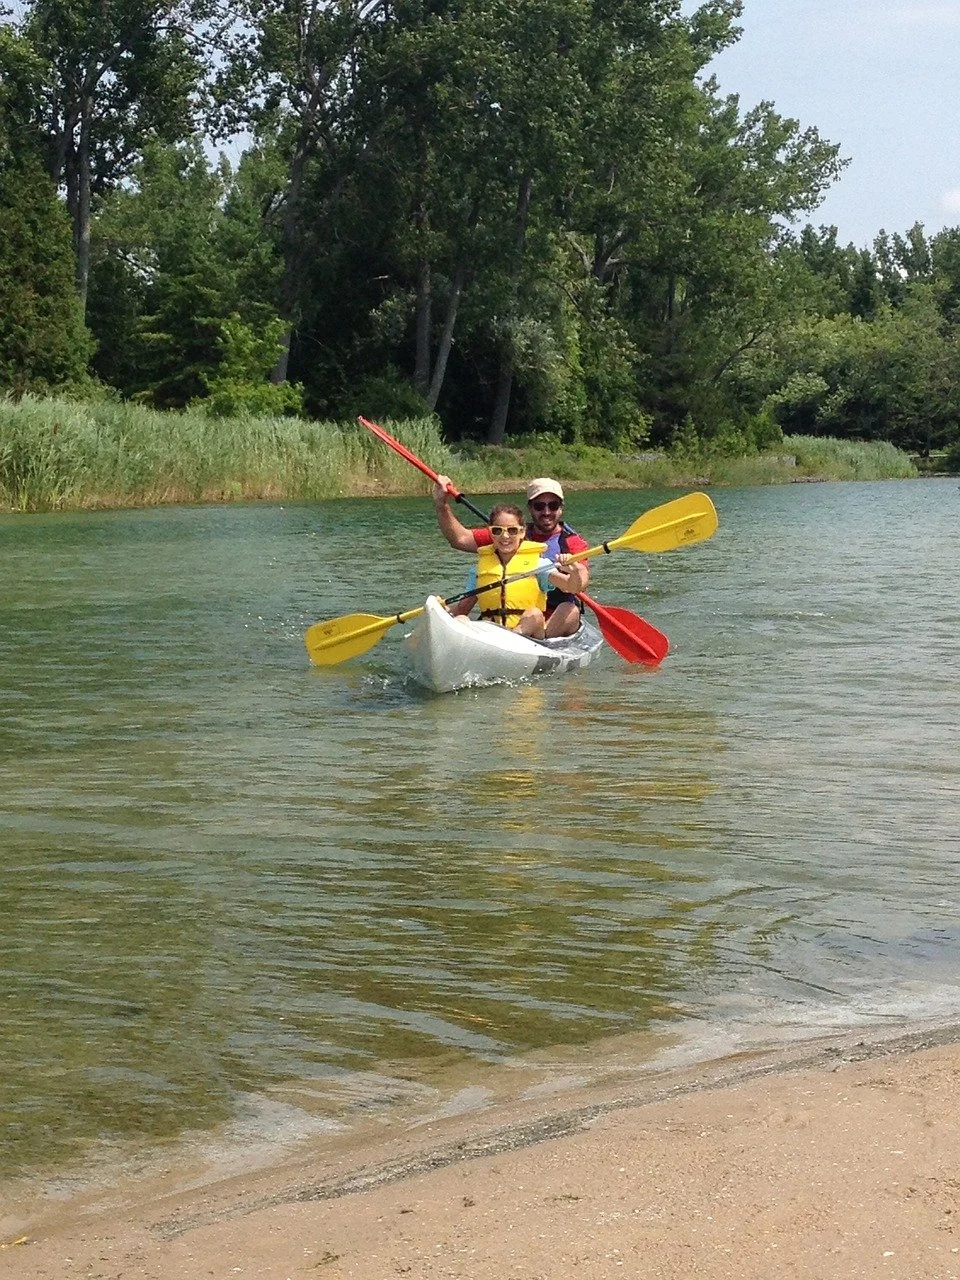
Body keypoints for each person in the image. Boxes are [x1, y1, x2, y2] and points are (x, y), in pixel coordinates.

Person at [432, 477, 589, 637]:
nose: (546, 512)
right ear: (530, 508)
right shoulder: (504, 534)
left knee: (569, 610)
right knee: (462, 615)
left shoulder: (571, 542)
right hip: (501, 621)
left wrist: (574, 570)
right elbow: (460, 539)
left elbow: (579, 583)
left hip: (547, 620)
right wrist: (441, 505)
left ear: (561, 508)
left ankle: (534, 640)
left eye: (553, 505)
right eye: (539, 506)